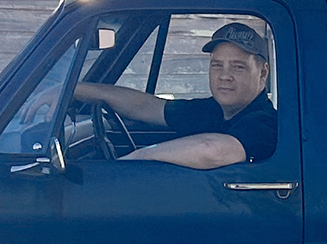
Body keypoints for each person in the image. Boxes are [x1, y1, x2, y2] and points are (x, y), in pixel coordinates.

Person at [72, 22, 277, 169]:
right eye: (217, 65)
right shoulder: (212, 110)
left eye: (238, 67)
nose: (224, 76)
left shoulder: (266, 122)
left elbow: (215, 149)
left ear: (263, 72)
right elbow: (146, 106)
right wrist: (75, 89)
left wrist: (137, 158)